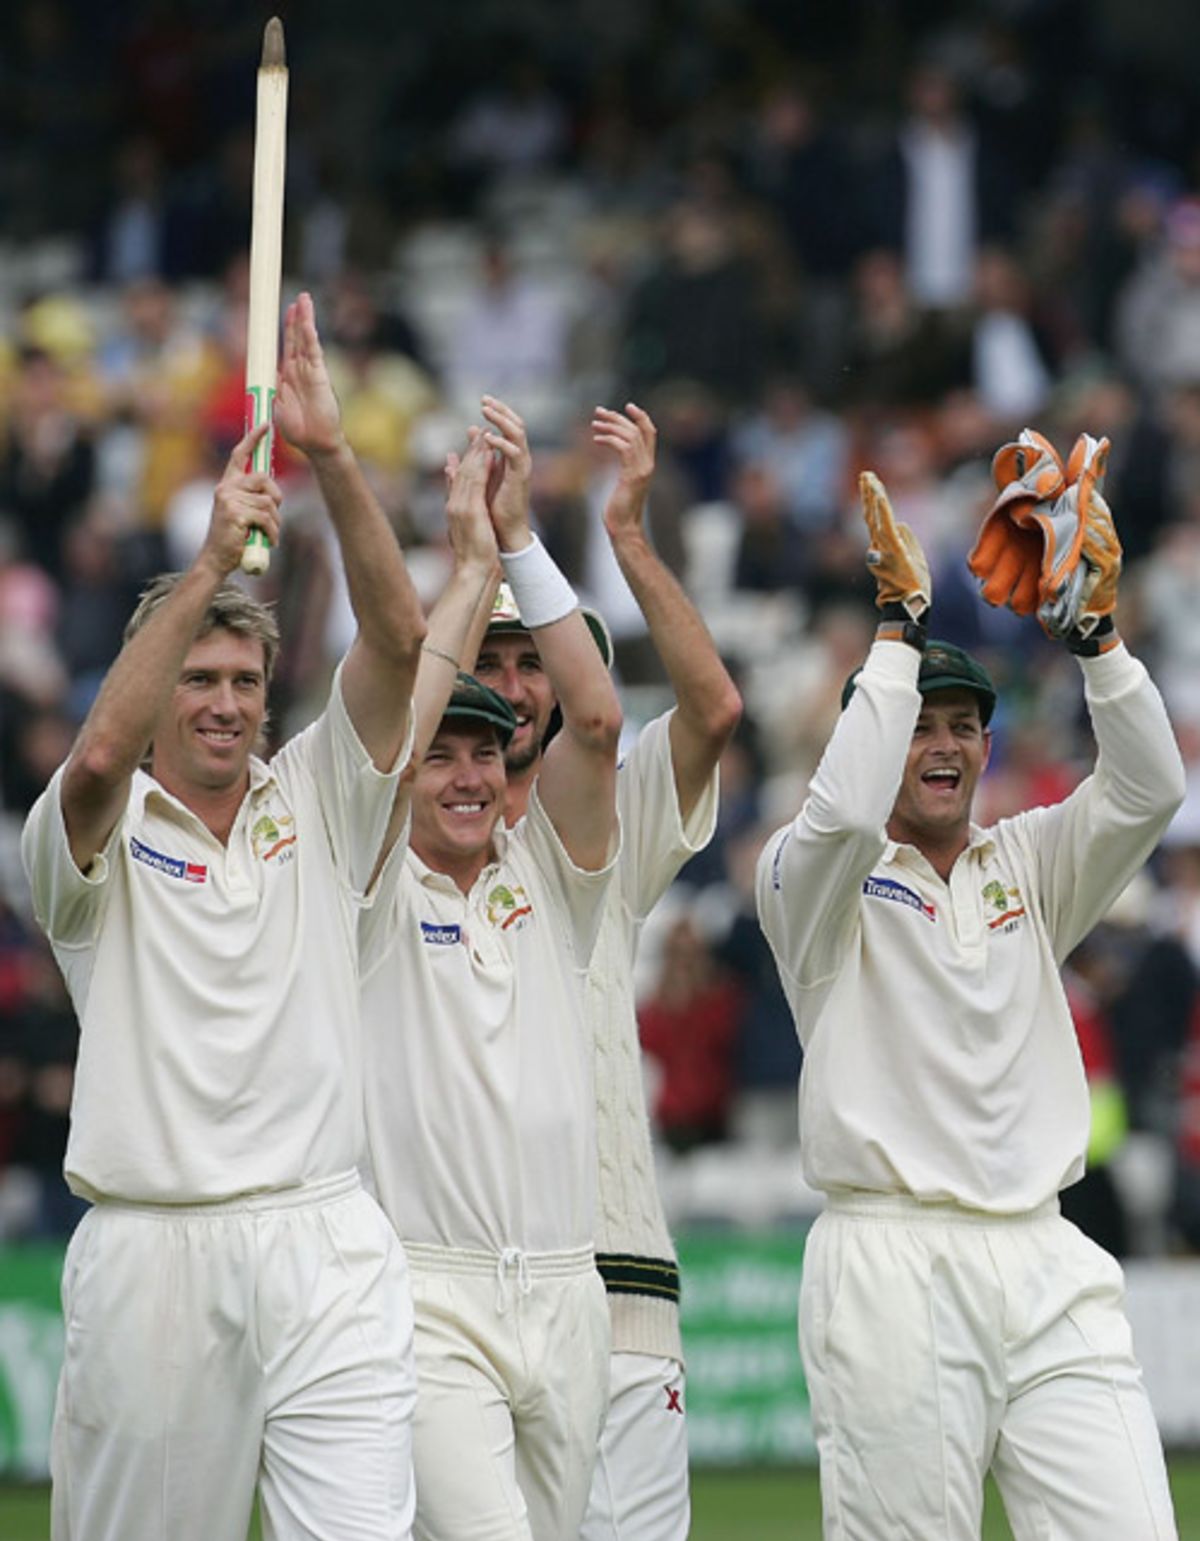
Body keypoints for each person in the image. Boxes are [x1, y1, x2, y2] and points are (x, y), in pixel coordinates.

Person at [21, 292, 425, 1541]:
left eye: (244, 679)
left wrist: (336, 456)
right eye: (197, 676)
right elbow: (92, 759)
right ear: (152, 693)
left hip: (323, 1234)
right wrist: (205, 567)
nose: (225, 701)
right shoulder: (94, 829)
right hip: (156, 1250)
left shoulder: (315, 791)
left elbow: (403, 647)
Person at [756, 445, 1183, 1538]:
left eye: (963, 726)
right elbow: (845, 817)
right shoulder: (812, 886)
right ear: (875, 734)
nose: (943, 744)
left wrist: (1099, 643)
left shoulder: (1030, 864)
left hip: (1046, 1257)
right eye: (918, 725)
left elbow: (1150, 787)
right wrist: (896, 628)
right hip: (892, 1262)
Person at [472, 402, 741, 1541]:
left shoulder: (605, 828)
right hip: (466, 1291)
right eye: (492, 661)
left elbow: (712, 707)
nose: (519, 685)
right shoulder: (381, 836)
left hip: (620, 1286)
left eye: (535, 658)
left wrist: (626, 542)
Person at [359, 399, 624, 1541]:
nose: (467, 775)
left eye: (485, 750)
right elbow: (384, 742)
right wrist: (463, 566)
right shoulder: (361, 886)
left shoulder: (547, 870)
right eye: (442, 756)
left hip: (568, 1288)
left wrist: (520, 542)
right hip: (426, 1289)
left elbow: (601, 720)